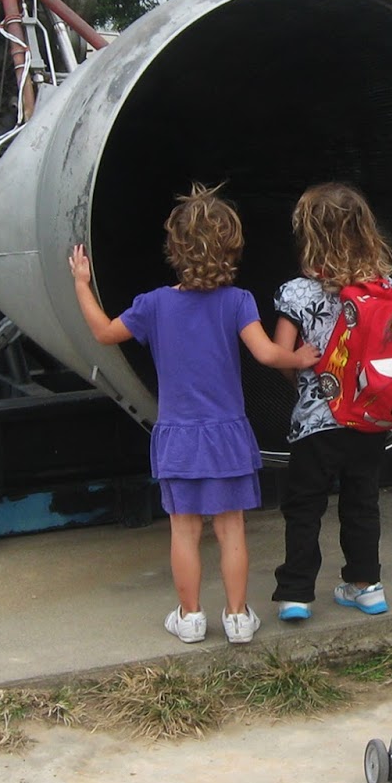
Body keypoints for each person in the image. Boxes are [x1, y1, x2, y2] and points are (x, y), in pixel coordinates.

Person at [68, 183, 318, 646]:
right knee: (232, 528)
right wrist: (301, 359)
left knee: (184, 530)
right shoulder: (238, 301)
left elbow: (104, 332)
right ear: (233, 250)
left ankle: (190, 616)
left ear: (173, 248)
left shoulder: (153, 305)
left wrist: (82, 284)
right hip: (227, 435)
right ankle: (239, 617)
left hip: (179, 435)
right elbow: (266, 354)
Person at [270, 181, 392, 622]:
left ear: (308, 236)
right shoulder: (385, 288)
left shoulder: (296, 294)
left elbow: (283, 355)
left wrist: (304, 384)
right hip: (368, 420)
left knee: (304, 506)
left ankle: (295, 594)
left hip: (315, 422)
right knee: (362, 502)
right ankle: (366, 586)